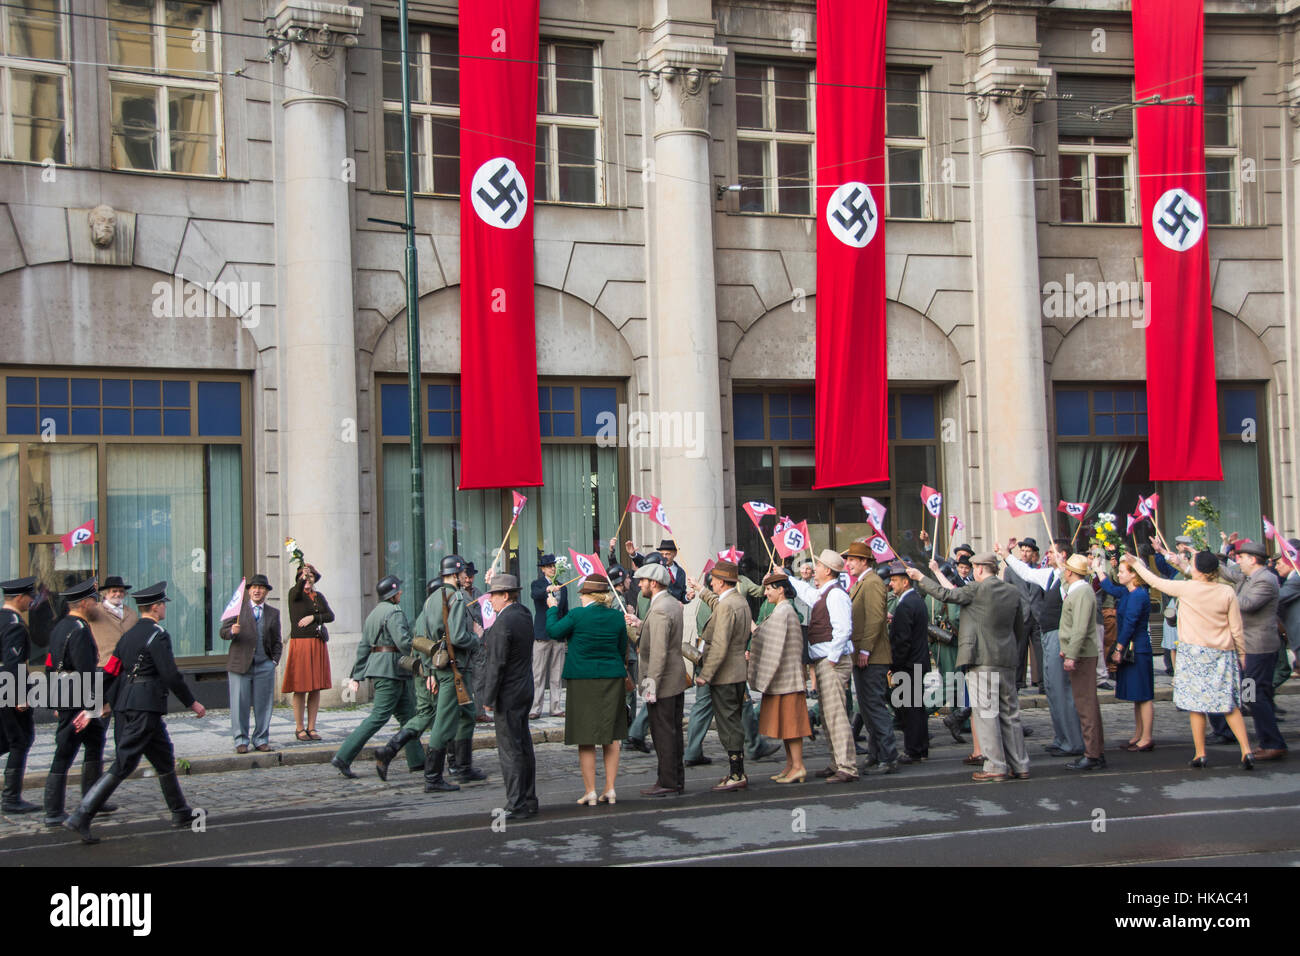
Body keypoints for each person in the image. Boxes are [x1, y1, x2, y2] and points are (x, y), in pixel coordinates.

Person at [64, 582, 207, 844]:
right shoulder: (157, 634)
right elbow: (170, 674)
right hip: (145, 705)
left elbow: (110, 672)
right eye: (163, 604)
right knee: (124, 763)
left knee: (163, 757)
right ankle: (81, 816)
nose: (164, 608)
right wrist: (192, 702)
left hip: (126, 704)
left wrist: (91, 707)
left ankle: (180, 811)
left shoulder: (128, 636)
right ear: (155, 607)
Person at [1124, 552, 1255, 769]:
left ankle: (1201, 753)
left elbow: (1155, 581)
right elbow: (1237, 628)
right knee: (1229, 705)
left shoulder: (1186, 588)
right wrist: (1242, 654)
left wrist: (1137, 565)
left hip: (1193, 652)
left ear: (1197, 570)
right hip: (1222, 652)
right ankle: (1246, 750)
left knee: (1196, 706)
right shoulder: (1226, 591)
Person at [909, 554, 1030, 782]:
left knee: (986, 714)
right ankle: (1020, 764)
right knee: (1010, 714)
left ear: (980, 569)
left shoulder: (976, 589)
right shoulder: (1012, 591)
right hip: (1006, 659)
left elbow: (946, 594)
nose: (973, 571)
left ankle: (995, 765)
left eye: (974, 567)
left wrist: (921, 577)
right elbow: (1019, 628)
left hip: (982, 660)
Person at [546, 574, 628, 804]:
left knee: (586, 737)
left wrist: (552, 608)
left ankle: (590, 791)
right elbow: (622, 648)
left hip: (582, 678)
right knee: (611, 737)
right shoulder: (616, 617)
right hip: (612, 677)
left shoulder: (577, 615)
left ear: (587, 595)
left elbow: (553, 630)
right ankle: (610, 788)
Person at [331, 574, 423, 779]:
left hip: (384, 670)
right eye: (398, 590)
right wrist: (423, 652)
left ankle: (417, 760)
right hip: (391, 671)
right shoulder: (394, 612)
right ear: (392, 594)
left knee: (409, 717)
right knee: (378, 717)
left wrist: (357, 674)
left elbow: (364, 647)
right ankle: (343, 756)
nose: (401, 592)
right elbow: (404, 642)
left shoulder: (373, 614)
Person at [999, 538, 1083, 757]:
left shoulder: (1071, 580)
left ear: (1063, 555)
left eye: (1051, 552)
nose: (1047, 555)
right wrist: (1006, 555)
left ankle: (1073, 741)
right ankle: (1061, 737)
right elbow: (1027, 573)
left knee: (1062, 690)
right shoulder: (1051, 575)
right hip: (1048, 634)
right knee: (1053, 689)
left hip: (1060, 636)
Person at [43, 578, 113, 826]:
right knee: (65, 749)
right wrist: (100, 703)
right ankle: (53, 810)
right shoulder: (80, 630)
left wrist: (54, 700)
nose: (96, 605)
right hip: (78, 698)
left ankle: (93, 798)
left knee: (94, 743)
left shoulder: (60, 626)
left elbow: (50, 665)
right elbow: (86, 670)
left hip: (65, 694)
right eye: (94, 601)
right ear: (84, 603)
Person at [785, 550, 858, 784]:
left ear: (827, 570)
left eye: (817, 567)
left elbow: (844, 629)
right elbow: (807, 593)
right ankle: (838, 762)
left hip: (831, 661)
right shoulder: (825, 592)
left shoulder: (836, 596)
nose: (813, 570)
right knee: (828, 715)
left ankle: (847, 766)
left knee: (836, 715)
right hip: (826, 660)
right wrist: (786, 577)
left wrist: (834, 658)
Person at [1211, 541, 1285, 760]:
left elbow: (1248, 604)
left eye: (1241, 558)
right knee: (1255, 695)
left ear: (1253, 559)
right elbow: (1225, 572)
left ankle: (1272, 743)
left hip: (1259, 648)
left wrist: (1222, 594)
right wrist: (1205, 556)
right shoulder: (1249, 577)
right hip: (1251, 648)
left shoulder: (1265, 580)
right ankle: (1268, 740)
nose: (1238, 561)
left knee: (1254, 695)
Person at [689, 559, 758, 791]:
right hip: (737, 671)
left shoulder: (728, 606)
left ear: (720, 582)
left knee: (728, 724)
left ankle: (737, 774)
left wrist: (705, 674)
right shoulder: (738, 601)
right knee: (733, 720)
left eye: (713, 580)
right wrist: (701, 591)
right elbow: (717, 602)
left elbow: (719, 644)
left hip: (725, 674)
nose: (711, 582)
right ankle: (736, 772)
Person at [625, 563, 688, 795]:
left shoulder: (660, 608)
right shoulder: (669, 603)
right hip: (673, 679)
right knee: (672, 732)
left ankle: (668, 782)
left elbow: (659, 651)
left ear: (654, 583)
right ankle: (675, 779)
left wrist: (650, 686)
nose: (639, 584)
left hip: (663, 683)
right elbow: (662, 636)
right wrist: (641, 624)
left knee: (663, 734)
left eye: (642, 580)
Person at [480, 573, 538, 819]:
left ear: (505, 595)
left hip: (509, 693)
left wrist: (488, 698)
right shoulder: (523, 614)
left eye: (493, 595)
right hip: (524, 688)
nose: (490, 600)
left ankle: (517, 803)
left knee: (510, 749)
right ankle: (529, 798)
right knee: (523, 745)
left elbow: (497, 663)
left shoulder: (504, 622)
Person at [747, 572, 811, 783]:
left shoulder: (784, 611)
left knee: (792, 725)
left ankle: (799, 766)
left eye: (769, 589)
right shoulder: (782, 609)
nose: (765, 593)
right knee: (786, 725)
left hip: (787, 678)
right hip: (785, 677)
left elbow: (769, 638)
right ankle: (791, 765)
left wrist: (754, 629)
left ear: (781, 589)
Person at [843, 542, 898, 773]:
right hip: (863, 655)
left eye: (852, 560)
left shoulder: (873, 583)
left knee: (875, 707)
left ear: (864, 561)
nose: (848, 564)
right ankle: (876, 754)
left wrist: (865, 649)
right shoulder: (864, 583)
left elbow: (876, 619)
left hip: (872, 657)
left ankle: (889, 756)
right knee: (866, 708)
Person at [1095, 554, 1154, 751]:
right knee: (1137, 695)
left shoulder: (1138, 595)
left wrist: (1118, 648)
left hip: (1138, 647)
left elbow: (1129, 624)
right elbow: (1110, 588)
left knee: (1143, 695)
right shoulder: (1129, 592)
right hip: (1132, 645)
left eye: (1121, 572)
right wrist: (1098, 569)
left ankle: (1146, 737)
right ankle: (1138, 734)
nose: (1118, 575)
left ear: (1133, 575)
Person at [218, 573, 282, 754]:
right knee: (240, 704)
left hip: (264, 665)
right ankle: (241, 740)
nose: (257, 590)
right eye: (254, 587)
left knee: (264, 705)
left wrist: (274, 661)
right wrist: (231, 631)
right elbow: (222, 632)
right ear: (248, 590)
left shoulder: (273, 613)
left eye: (261, 588)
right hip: (240, 665)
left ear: (266, 592)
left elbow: (277, 640)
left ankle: (261, 739)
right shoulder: (237, 610)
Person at [1056, 553, 1104, 770]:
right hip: (1080, 652)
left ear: (1070, 572)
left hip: (1083, 654)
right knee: (1087, 703)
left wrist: (1072, 654)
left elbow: (1080, 627)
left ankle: (1092, 753)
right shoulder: (1077, 589)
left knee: (1086, 705)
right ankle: (1095, 751)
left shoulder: (1082, 592)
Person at [282, 563, 334, 741]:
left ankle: (312, 727)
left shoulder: (318, 596)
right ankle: (299, 727)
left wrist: (314, 617)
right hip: (301, 644)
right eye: (305, 576)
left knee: (315, 687)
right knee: (301, 687)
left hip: (317, 643)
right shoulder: (294, 594)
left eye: (311, 576)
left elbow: (330, 616)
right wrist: (302, 577)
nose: (308, 579)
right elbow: (297, 591)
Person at [0, 576, 38, 813]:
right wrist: (19, 696)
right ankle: (11, 798)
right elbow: (14, 662)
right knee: (20, 740)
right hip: (7, 686)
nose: (31, 600)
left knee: (6, 739)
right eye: (29, 597)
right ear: (19, 598)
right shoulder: (14, 623)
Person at [887, 561, 931, 763]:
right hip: (918, 662)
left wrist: (895, 667)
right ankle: (921, 748)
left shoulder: (906, 604)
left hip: (909, 665)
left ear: (905, 582)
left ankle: (913, 749)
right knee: (917, 708)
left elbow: (902, 641)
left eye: (894, 580)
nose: (891, 584)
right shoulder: (916, 600)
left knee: (910, 710)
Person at [530, 554, 568, 718]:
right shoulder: (537, 584)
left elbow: (565, 611)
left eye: (554, 565)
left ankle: (556, 707)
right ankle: (535, 708)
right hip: (542, 634)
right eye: (549, 566)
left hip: (558, 635)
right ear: (543, 569)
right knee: (538, 674)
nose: (552, 568)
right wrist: (548, 589)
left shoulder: (563, 586)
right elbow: (535, 594)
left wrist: (565, 633)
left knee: (556, 673)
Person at [85, 575, 137, 667]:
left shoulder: (132, 614)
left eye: (121, 591)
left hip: (127, 667)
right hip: (104, 665)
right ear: (105, 593)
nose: (118, 594)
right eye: (114, 591)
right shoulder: (96, 610)